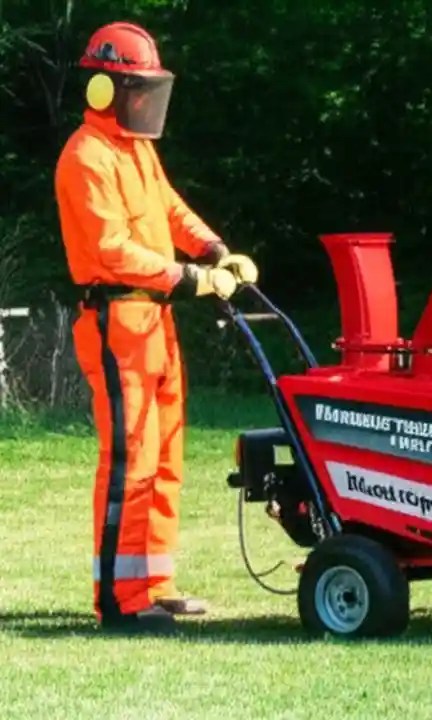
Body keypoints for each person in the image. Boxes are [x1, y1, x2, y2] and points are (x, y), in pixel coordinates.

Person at [53, 21, 259, 630]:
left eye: (150, 90)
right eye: (135, 90)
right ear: (103, 89)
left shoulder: (136, 149)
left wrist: (216, 251)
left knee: (166, 455)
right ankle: (120, 600)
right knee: (131, 460)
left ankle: (155, 582)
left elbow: (170, 210)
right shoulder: (85, 157)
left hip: (154, 320)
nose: (145, 102)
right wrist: (191, 278)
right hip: (117, 320)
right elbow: (112, 250)